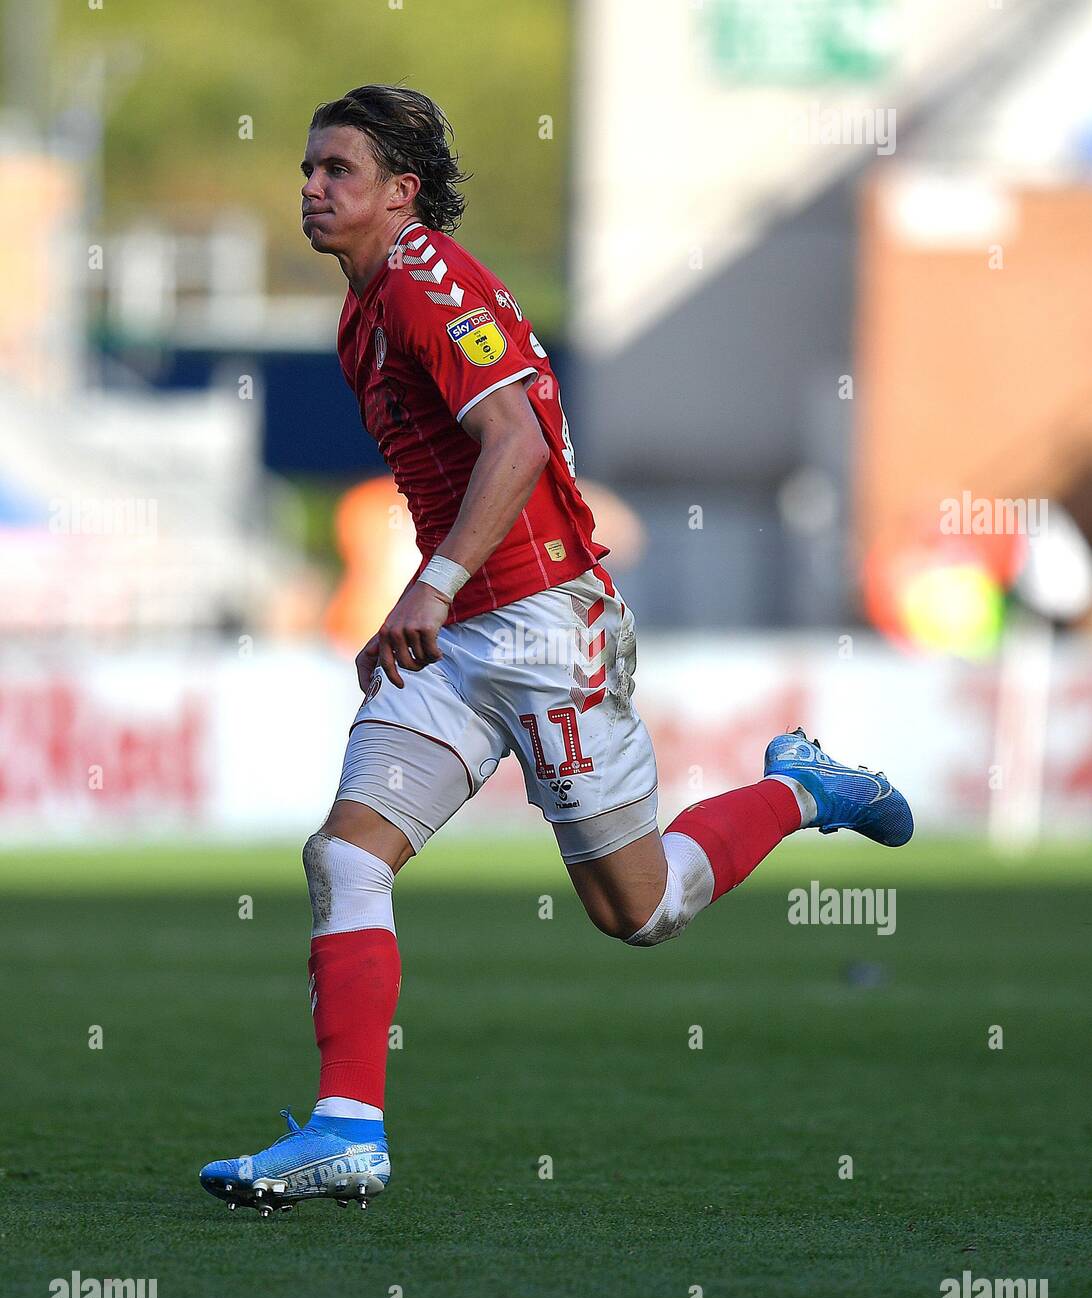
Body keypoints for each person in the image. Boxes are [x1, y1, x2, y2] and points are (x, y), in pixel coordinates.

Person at [199, 86, 912, 1216]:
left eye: (337, 169)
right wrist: (430, 595)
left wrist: (427, 585)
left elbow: (519, 436)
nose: (311, 186)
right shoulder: (362, 307)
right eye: (307, 167)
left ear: (403, 191)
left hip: (541, 626)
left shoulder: (432, 280)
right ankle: (348, 1133)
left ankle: (798, 789)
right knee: (344, 855)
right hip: (454, 636)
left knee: (640, 912)